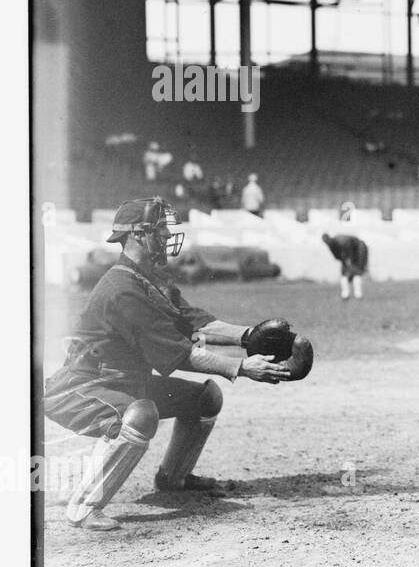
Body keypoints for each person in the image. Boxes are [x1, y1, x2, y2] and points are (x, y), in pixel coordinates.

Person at [43, 197, 291, 531]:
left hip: (126, 383)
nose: (166, 235)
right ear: (136, 236)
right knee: (141, 414)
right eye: (158, 229)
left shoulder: (151, 279)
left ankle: (173, 478)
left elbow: (195, 323)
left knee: (205, 398)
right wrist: (242, 367)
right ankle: (85, 506)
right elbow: (182, 353)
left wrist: (248, 337)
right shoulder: (122, 289)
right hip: (81, 388)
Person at [322, 232, 369, 301]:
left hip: (359, 249)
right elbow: (337, 256)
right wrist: (346, 263)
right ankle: (345, 295)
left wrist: (350, 261)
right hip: (348, 254)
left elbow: (349, 249)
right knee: (345, 273)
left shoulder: (341, 241)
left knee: (356, 271)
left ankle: (358, 295)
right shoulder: (331, 244)